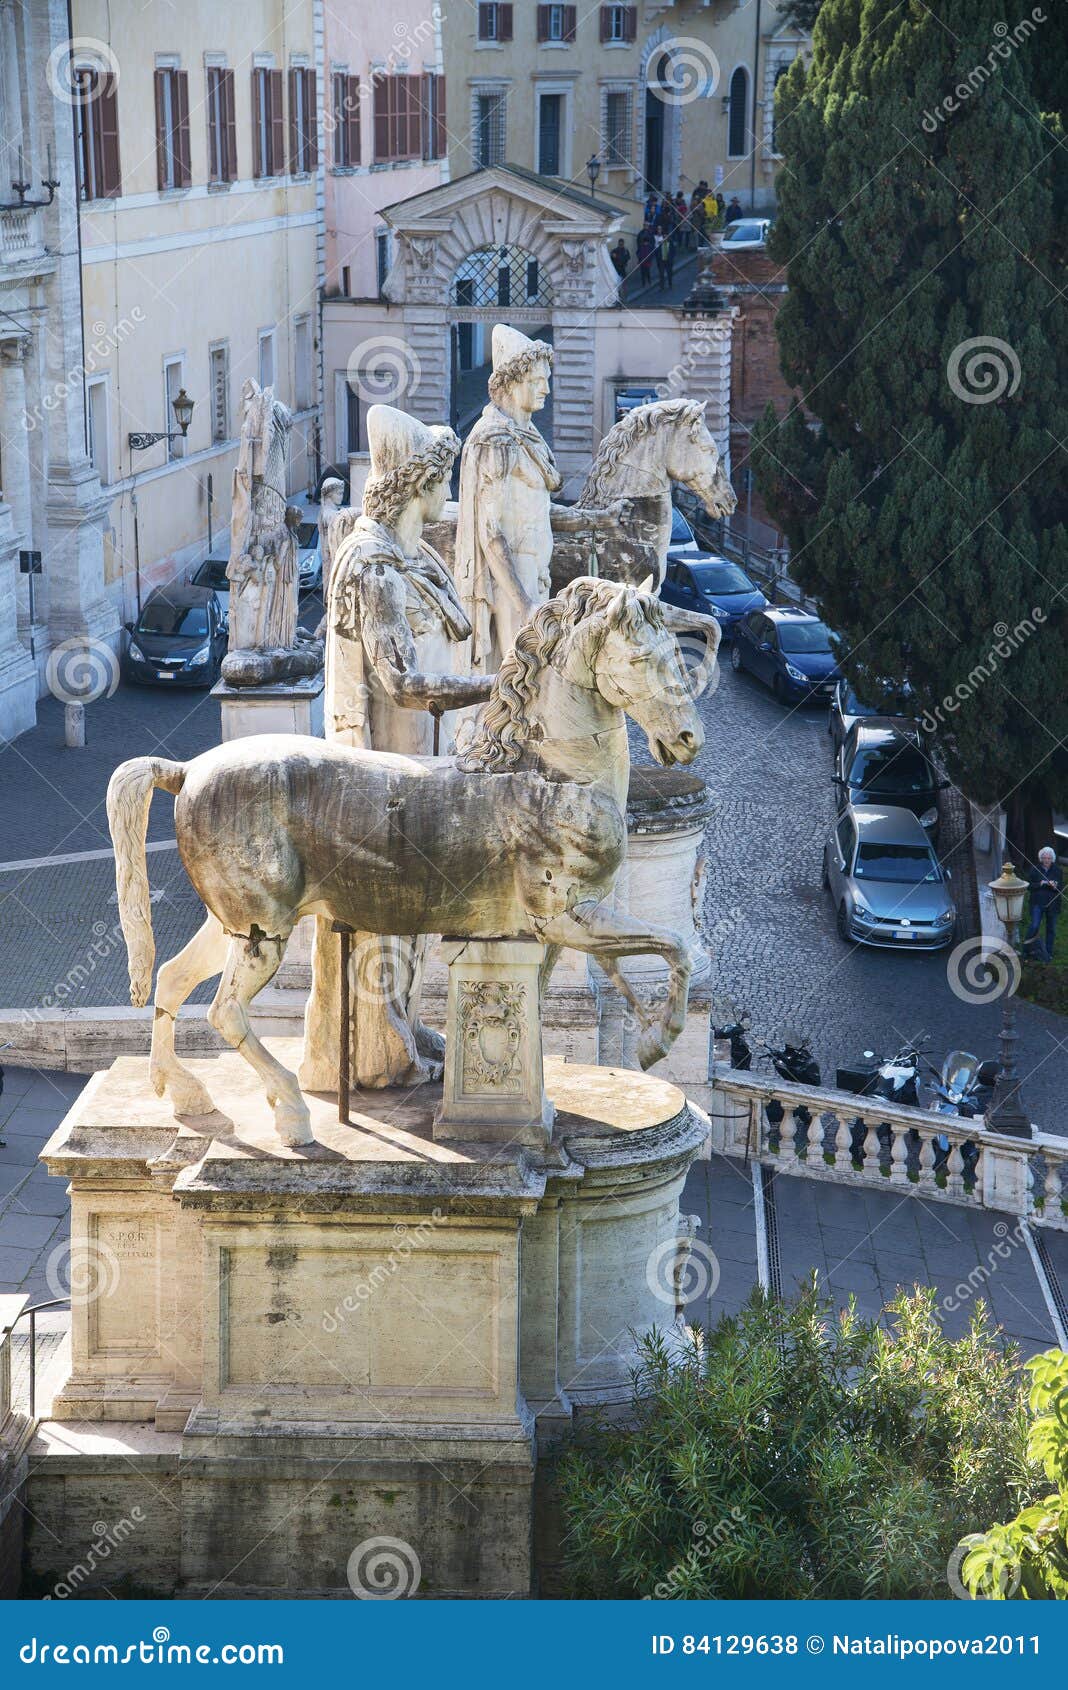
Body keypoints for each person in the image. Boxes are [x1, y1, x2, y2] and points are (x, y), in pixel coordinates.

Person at [1024, 846, 1063, 961]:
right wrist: (1040, 883)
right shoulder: (1034, 869)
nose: (1047, 860)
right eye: (1044, 858)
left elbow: (1060, 887)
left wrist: (1055, 886)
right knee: (1035, 925)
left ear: (1052, 859)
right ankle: (1026, 950)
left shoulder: (1057, 870)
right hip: (1037, 903)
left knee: (1051, 929)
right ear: (1041, 858)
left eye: (1049, 858)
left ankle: (1048, 953)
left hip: (1053, 904)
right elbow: (1028, 886)